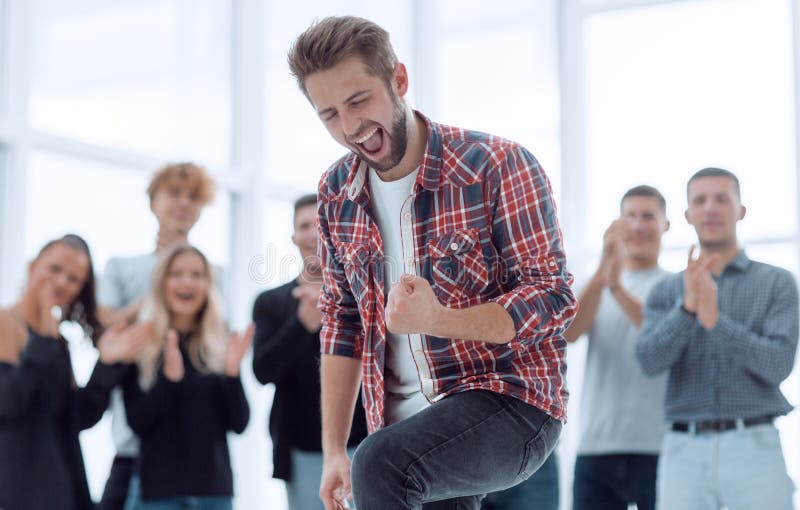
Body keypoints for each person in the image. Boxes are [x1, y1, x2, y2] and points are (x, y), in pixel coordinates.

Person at [288, 16, 576, 509]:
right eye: (330, 114)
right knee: (380, 460)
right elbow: (343, 321)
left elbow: (552, 298)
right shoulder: (335, 193)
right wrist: (334, 450)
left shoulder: (496, 165)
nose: (350, 126)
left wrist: (439, 320)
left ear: (398, 80)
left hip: (512, 403)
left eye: (359, 101)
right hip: (405, 427)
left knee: (380, 462)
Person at [637, 168, 797, 510]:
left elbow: (779, 365)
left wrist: (715, 322)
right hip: (683, 450)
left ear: (741, 209)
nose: (710, 208)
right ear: (687, 214)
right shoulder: (666, 291)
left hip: (755, 447)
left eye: (721, 199)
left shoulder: (777, 283)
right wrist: (688, 311)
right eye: (700, 200)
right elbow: (648, 361)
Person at [98, 162, 217, 510]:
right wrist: (161, 285)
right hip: (137, 434)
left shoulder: (211, 274)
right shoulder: (122, 267)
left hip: (193, 446)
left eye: (193, 197)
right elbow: (107, 325)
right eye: (174, 193)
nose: (183, 203)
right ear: (154, 201)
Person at [0, 234, 150, 510]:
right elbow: (7, 402)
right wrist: (43, 338)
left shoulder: (58, 341)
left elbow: (75, 417)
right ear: (33, 266)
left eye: (74, 279)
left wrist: (106, 362)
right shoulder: (6, 322)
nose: (61, 282)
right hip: (17, 488)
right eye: (55, 269)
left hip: (60, 486)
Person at [252, 193, 369, 510]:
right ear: (294, 236)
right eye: (304, 225)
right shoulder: (271, 303)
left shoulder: (364, 297)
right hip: (303, 448)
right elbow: (263, 372)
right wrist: (302, 323)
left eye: (320, 223)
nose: (313, 233)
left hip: (364, 442)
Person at [564, 185, 670, 510]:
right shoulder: (592, 284)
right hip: (597, 446)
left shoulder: (674, 286)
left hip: (659, 446)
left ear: (665, 224)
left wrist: (617, 287)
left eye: (648, 216)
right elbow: (569, 333)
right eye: (630, 217)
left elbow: (660, 334)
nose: (638, 226)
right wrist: (603, 271)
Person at [122, 244, 251, 510]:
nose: (187, 282)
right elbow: (138, 422)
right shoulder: (140, 344)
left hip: (213, 493)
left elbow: (239, 424)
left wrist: (231, 374)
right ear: (162, 283)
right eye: (177, 274)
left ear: (208, 284)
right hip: (158, 493)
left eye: (197, 274)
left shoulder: (220, 343)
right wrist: (170, 380)